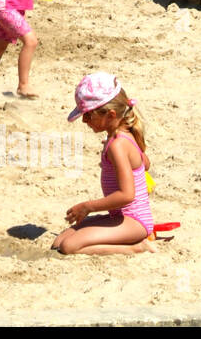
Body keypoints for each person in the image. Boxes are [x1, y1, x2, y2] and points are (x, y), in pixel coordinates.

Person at [54, 73, 155, 256]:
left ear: (111, 115)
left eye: (88, 116)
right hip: (120, 217)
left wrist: (87, 207)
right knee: (59, 242)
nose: (84, 121)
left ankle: (137, 247)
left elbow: (127, 195)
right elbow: (144, 164)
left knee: (69, 247)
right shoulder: (122, 136)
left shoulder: (118, 145)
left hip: (135, 221)